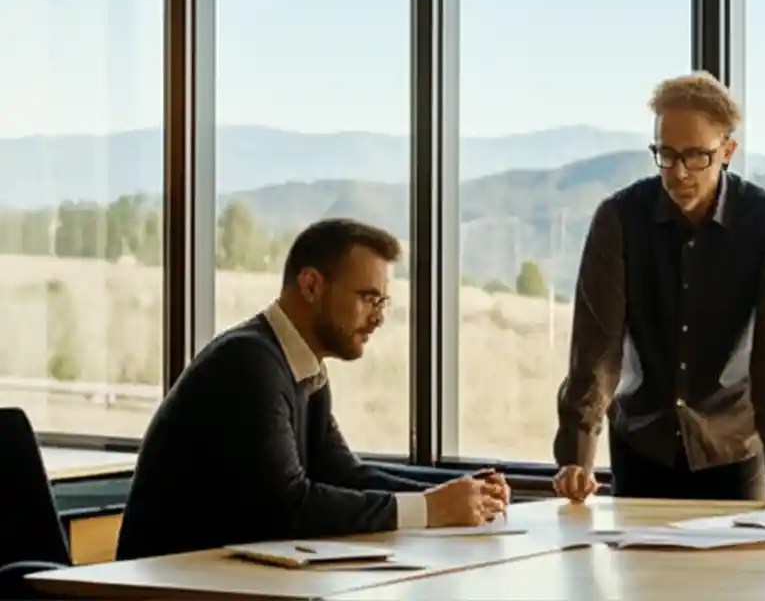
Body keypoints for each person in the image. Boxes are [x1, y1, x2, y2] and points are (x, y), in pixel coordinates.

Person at [117, 219, 509, 559]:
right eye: (367, 298)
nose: (379, 318)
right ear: (311, 285)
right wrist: (429, 508)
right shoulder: (247, 364)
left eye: (383, 301)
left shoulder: (302, 366)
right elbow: (287, 507)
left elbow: (344, 475)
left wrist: (459, 494)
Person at [551, 71, 765, 508]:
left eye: (696, 157)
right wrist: (576, 457)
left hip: (733, 453)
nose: (679, 172)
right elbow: (596, 347)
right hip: (642, 447)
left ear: (727, 151)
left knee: (741, 576)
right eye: (666, 154)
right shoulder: (619, 219)